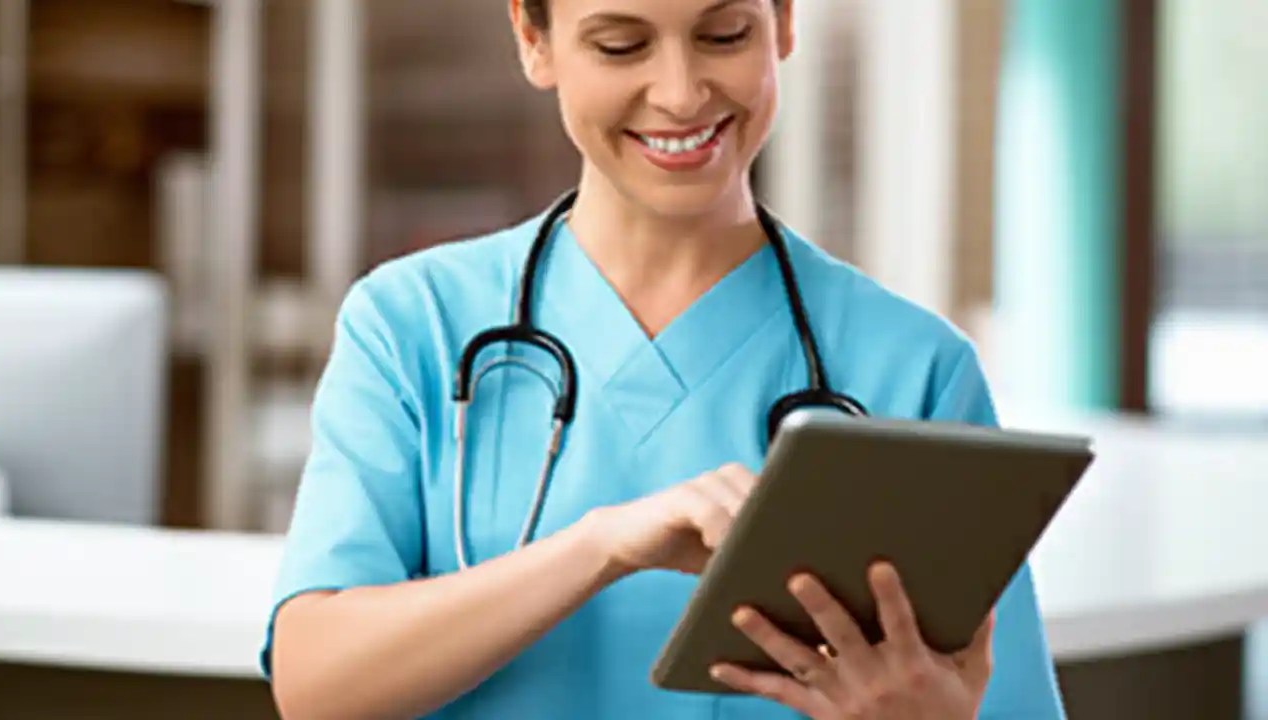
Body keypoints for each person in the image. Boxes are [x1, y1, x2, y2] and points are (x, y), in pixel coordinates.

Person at [262, 0, 1067, 718]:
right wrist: (601, 548)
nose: (681, 93)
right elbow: (315, 686)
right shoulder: (415, 326)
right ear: (533, 40)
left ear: (784, 23)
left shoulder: (913, 369)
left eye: (724, 34)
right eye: (620, 45)